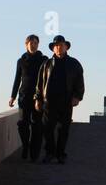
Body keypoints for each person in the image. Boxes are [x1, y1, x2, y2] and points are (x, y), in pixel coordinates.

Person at [34, 35, 84, 163]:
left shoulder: (74, 64)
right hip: (49, 101)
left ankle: (61, 154)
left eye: (61, 45)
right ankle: (50, 153)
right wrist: (38, 99)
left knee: (64, 129)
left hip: (66, 101)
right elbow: (40, 83)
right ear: (53, 49)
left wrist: (77, 96)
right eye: (56, 46)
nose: (58, 48)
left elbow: (80, 82)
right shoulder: (46, 64)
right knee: (48, 128)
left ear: (66, 47)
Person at [9, 33, 48, 161]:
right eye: (31, 43)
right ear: (26, 45)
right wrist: (12, 96)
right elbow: (17, 79)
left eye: (36, 43)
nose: (33, 45)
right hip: (24, 97)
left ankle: (34, 153)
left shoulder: (44, 60)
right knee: (22, 124)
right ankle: (26, 145)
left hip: (38, 98)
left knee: (37, 125)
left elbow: (47, 80)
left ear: (38, 45)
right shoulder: (21, 61)